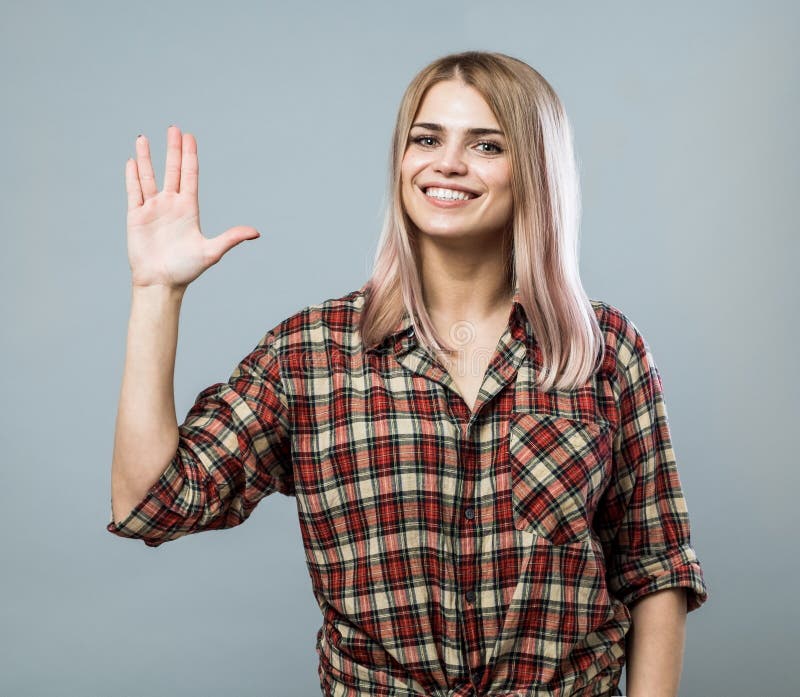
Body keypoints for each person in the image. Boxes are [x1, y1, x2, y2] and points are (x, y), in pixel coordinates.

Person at [108, 51, 708, 697]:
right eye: (427, 138)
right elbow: (151, 504)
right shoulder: (312, 352)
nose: (447, 163)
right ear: (402, 160)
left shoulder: (605, 349)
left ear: (534, 170)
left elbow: (655, 570)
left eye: (486, 144)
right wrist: (155, 291)